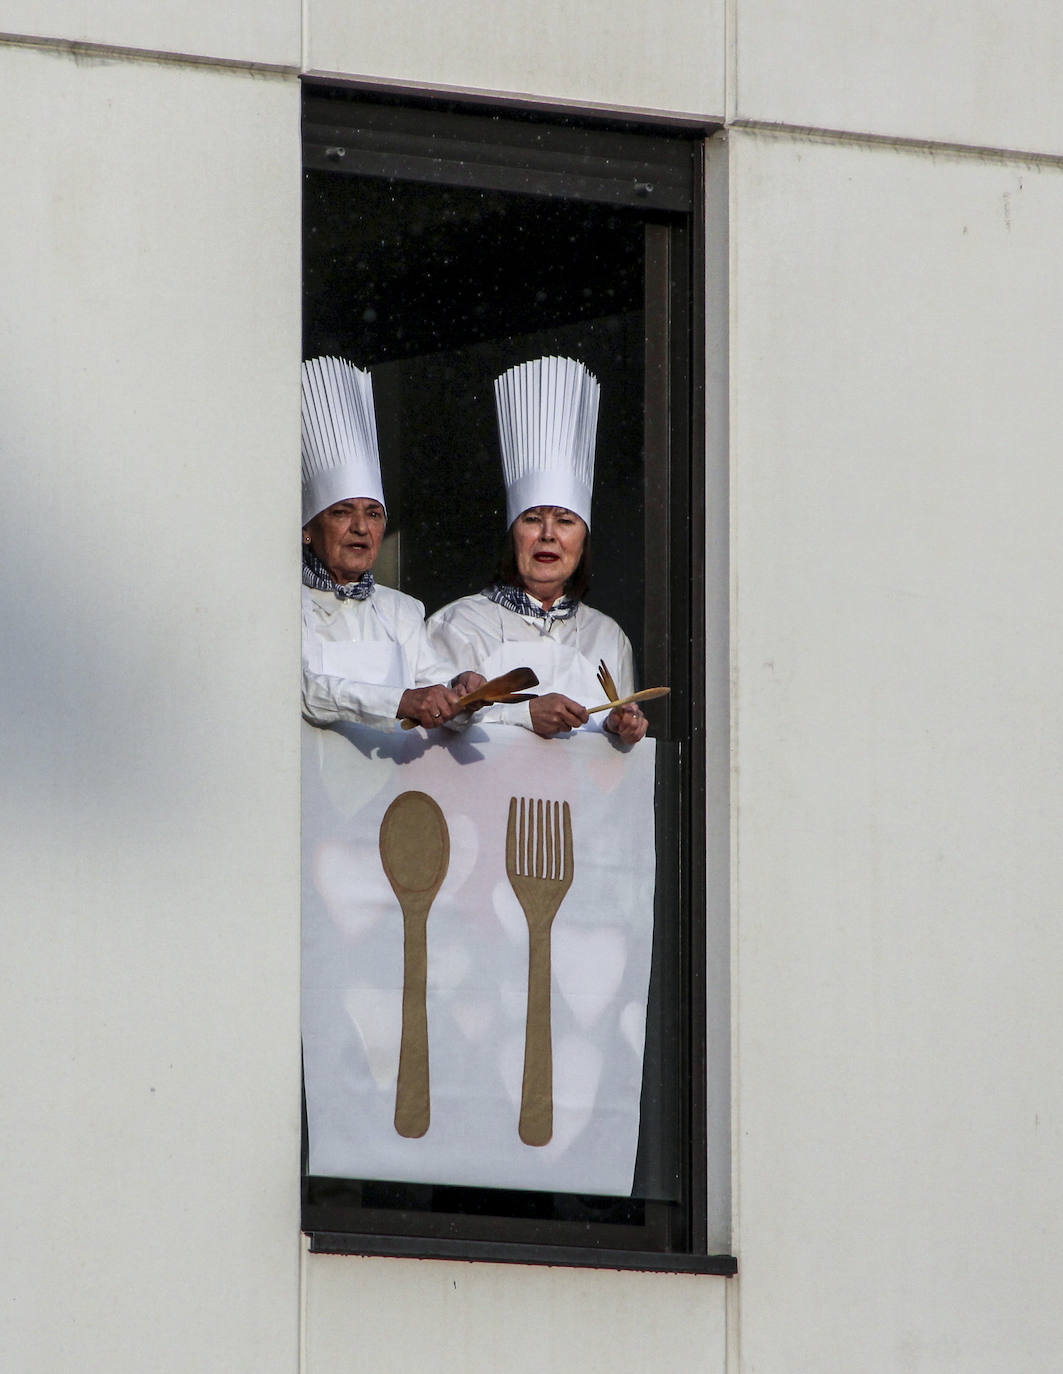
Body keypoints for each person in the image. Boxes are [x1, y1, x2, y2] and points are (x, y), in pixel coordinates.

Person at [427, 356, 648, 744]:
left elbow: (612, 771)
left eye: (565, 521)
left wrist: (619, 728)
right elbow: (428, 733)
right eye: (532, 519)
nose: (548, 535)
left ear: (584, 539)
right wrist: (525, 714)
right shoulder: (456, 625)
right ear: (512, 534)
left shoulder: (608, 637)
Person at [301, 356, 484, 730]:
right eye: (341, 513)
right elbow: (305, 691)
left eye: (373, 514)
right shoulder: (284, 608)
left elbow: (435, 697)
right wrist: (399, 700)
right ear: (308, 529)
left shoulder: (402, 611)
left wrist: (461, 695)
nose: (360, 528)